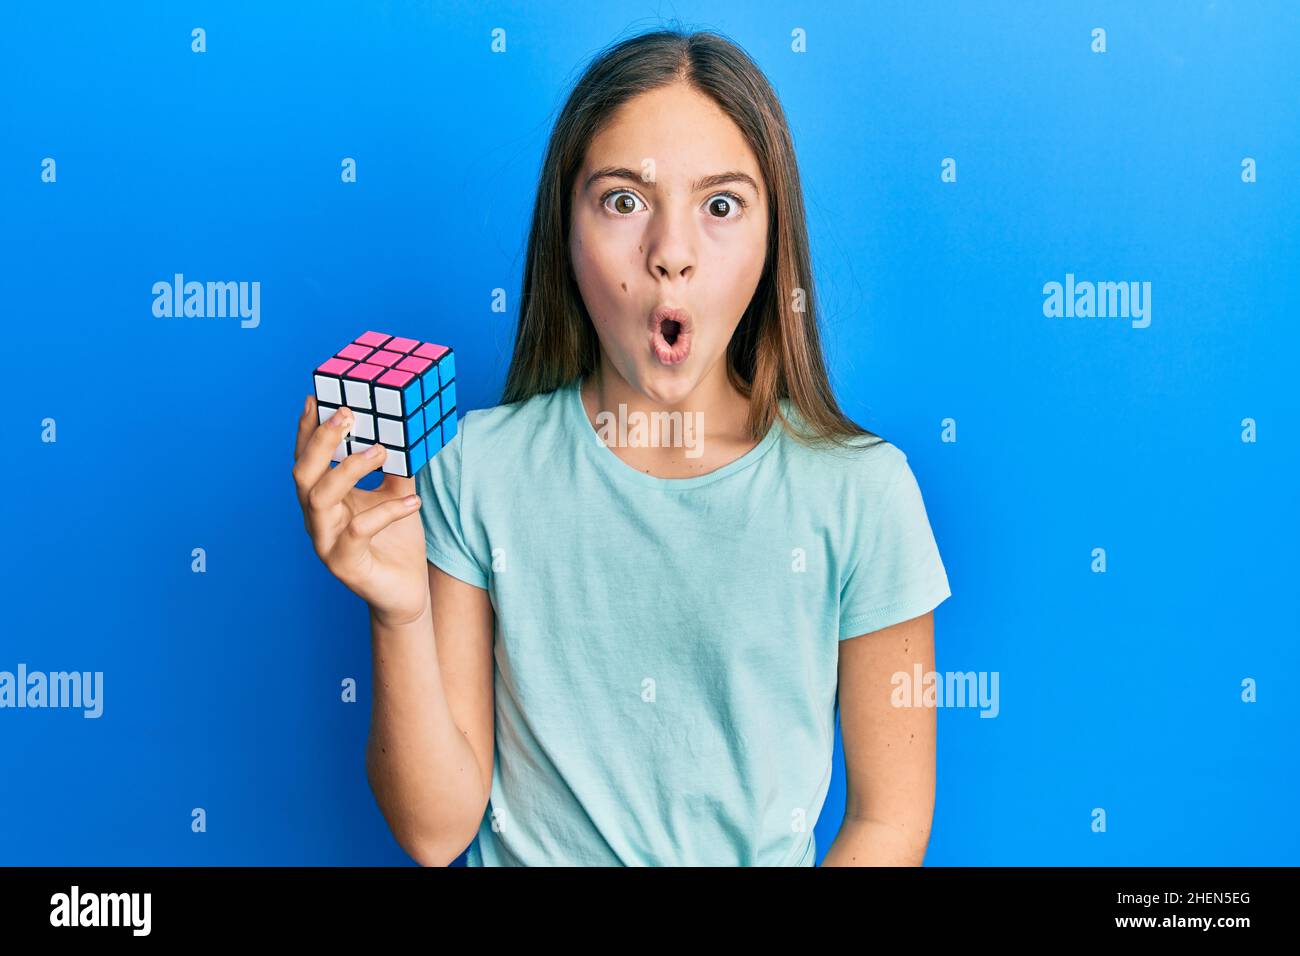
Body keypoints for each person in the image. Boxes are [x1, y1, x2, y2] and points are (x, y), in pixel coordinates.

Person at [292, 28, 951, 866]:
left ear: (771, 239)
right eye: (623, 200)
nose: (671, 253)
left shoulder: (865, 495)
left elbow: (888, 823)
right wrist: (399, 612)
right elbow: (434, 829)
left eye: (720, 205)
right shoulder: (473, 472)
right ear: (563, 233)